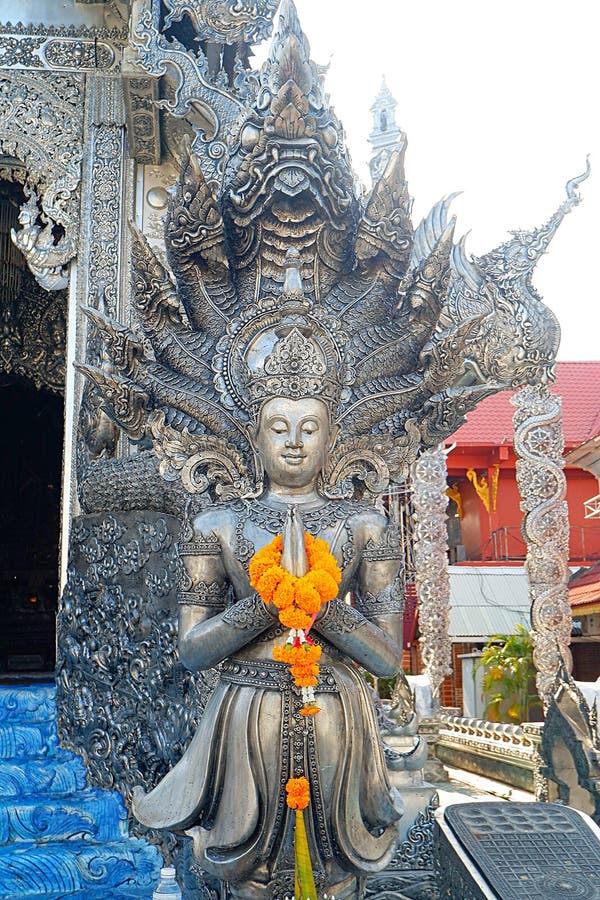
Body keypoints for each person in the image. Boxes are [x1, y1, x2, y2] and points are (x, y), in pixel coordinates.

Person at [133, 328, 407, 900]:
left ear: (332, 439)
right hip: (246, 712)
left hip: (335, 712)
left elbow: (387, 659)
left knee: (334, 873)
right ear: (254, 437)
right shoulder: (218, 526)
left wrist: (320, 609)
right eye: (278, 429)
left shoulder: (366, 526)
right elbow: (191, 649)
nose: (294, 443)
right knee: (248, 876)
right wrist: (266, 605)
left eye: (310, 429)